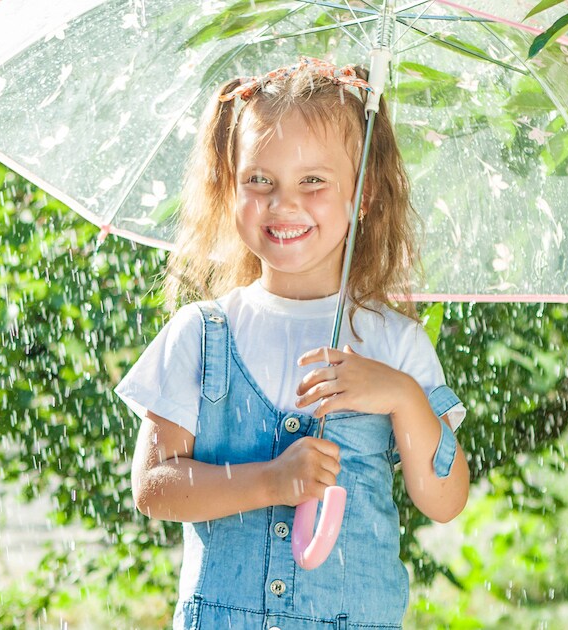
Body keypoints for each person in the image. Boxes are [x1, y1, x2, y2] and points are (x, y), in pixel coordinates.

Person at [117, 57, 469, 630]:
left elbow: (445, 499)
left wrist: (404, 398)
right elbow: (155, 489)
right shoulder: (201, 334)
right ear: (227, 186)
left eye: (314, 181)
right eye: (260, 180)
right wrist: (270, 482)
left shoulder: (394, 345)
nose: (284, 204)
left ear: (365, 193)